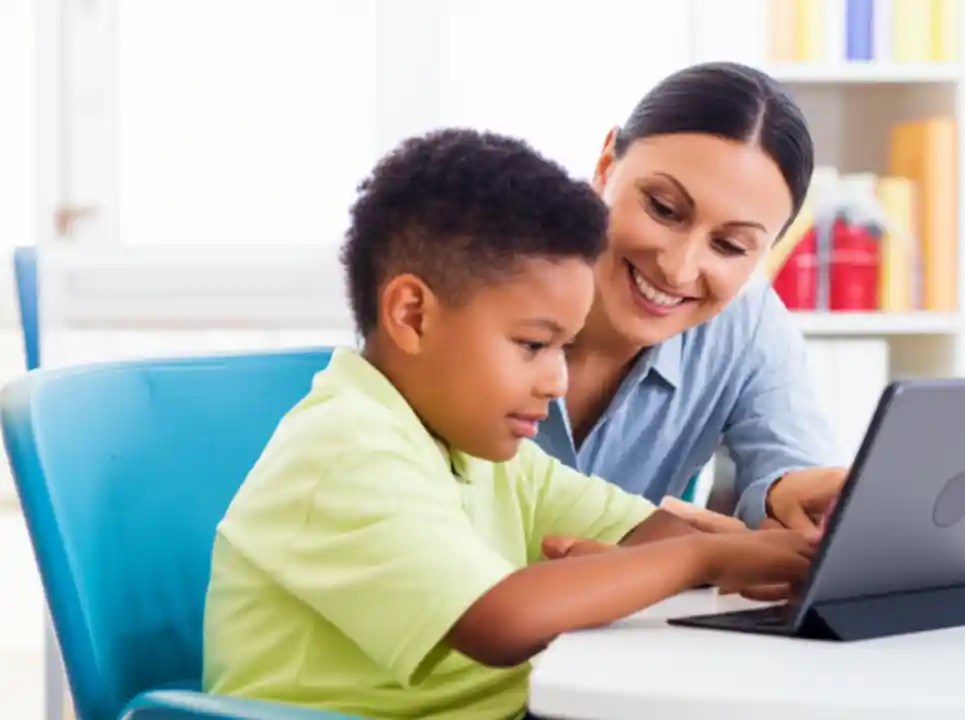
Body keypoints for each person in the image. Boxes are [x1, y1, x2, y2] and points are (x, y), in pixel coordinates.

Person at [201, 128, 816, 720]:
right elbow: (499, 621)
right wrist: (701, 561)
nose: (558, 380)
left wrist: (773, 554)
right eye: (532, 345)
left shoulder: (484, 451)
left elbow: (643, 532)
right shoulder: (345, 448)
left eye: (562, 348)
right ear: (412, 315)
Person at [532, 61, 848, 534]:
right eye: (663, 209)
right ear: (605, 165)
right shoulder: (482, 271)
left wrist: (788, 499)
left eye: (730, 246)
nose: (678, 268)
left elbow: (794, 473)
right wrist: (677, 544)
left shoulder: (748, 323)